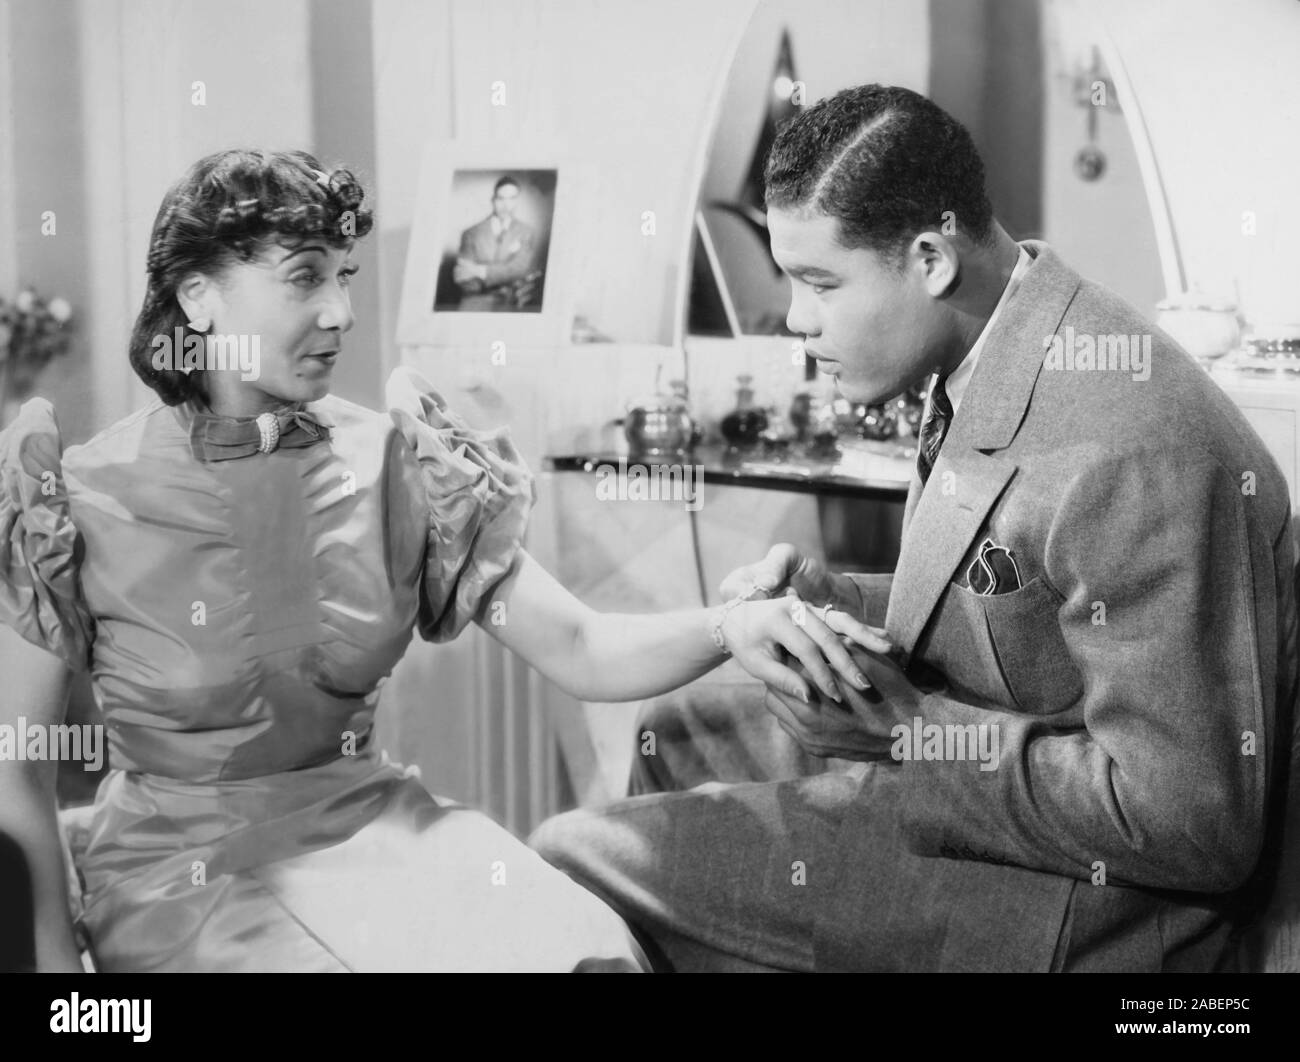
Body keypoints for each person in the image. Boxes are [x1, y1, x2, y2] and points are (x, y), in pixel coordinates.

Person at [0, 148, 884, 972]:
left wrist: (733, 626)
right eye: (304, 277)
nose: (341, 312)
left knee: (579, 951)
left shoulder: (398, 463)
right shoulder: (77, 497)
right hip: (177, 870)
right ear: (198, 299)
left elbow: (581, 647)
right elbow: (18, 773)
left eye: (344, 276)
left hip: (368, 825)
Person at [530, 84, 1299, 972]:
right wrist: (840, 603)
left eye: (820, 283)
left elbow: (1192, 822)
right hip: (994, 770)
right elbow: (1029, 601)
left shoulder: (1131, 450)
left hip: (1089, 905)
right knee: (676, 727)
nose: (796, 319)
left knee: (569, 857)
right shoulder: (994, 344)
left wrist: (913, 735)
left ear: (931, 259)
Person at [452, 175, 541, 311]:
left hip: (511, 306)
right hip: (475, 306)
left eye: (512, 198)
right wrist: (506, 275)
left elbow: (520, 269)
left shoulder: (526, 232)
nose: (506, 205)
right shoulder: (471, 233)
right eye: (501, 198)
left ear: (517, 201)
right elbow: (464, 279)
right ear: (493, 200)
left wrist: (479, 271)